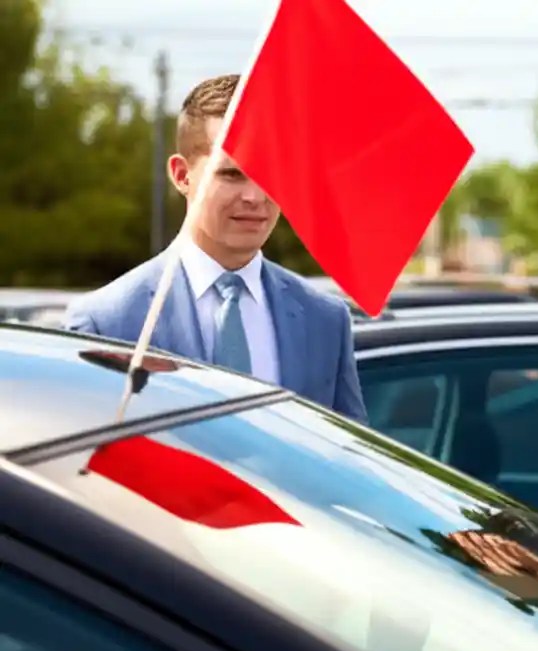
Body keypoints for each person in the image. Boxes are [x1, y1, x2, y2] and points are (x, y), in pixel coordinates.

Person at [62, 74, 367, 423]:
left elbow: (349, 459)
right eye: (231, 175)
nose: (255, 197)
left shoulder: (325, 319)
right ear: (181, 175)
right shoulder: (107, 320)